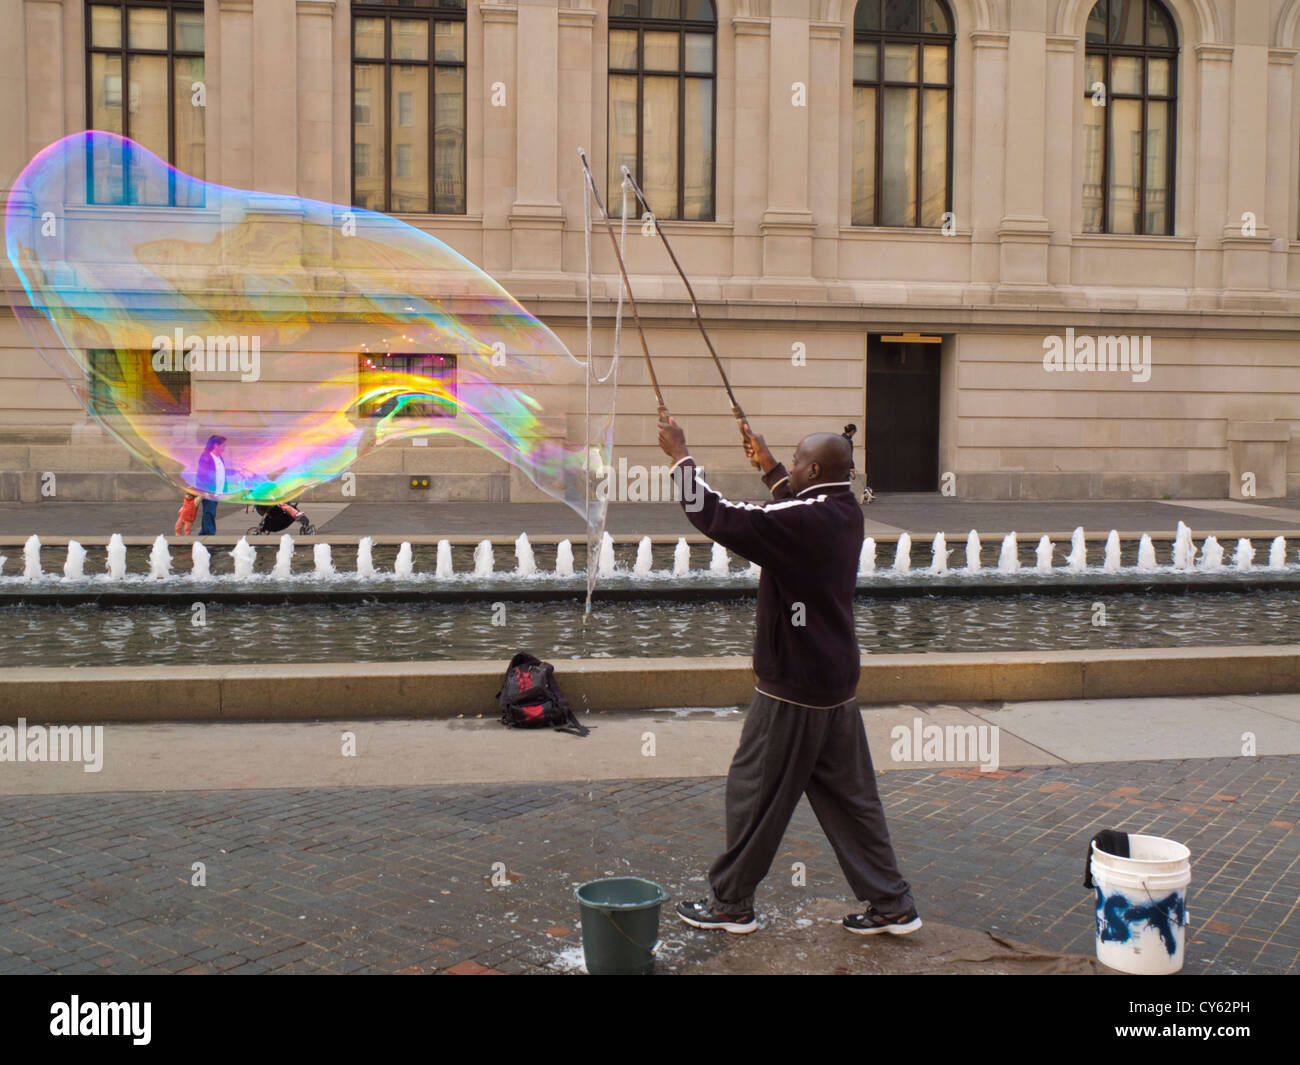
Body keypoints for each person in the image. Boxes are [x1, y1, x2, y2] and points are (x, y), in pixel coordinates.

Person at [657, 415, 919, 937]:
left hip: (794, 688)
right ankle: (892, 904)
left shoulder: (805, 521)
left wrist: (680, 457)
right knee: (852, 802)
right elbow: (795, 506)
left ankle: (731, 905)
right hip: (834, 687)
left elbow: (717, 516)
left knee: (754, 791)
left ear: (815, 468)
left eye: (798, 461)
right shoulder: (843, 510)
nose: (791, 467)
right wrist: (772, 465)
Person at [194, 435, 242, 536]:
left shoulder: (218, 457)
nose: (224, 448)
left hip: (217, 491)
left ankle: (204, 532)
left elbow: (222, 471)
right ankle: (209, 533)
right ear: (216, 445)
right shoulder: (206, 457)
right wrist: (206, 490)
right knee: (209, 512)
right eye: (223, 445)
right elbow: (201, 474)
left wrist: (237, 471)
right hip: (209, 490)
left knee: (210, 512)